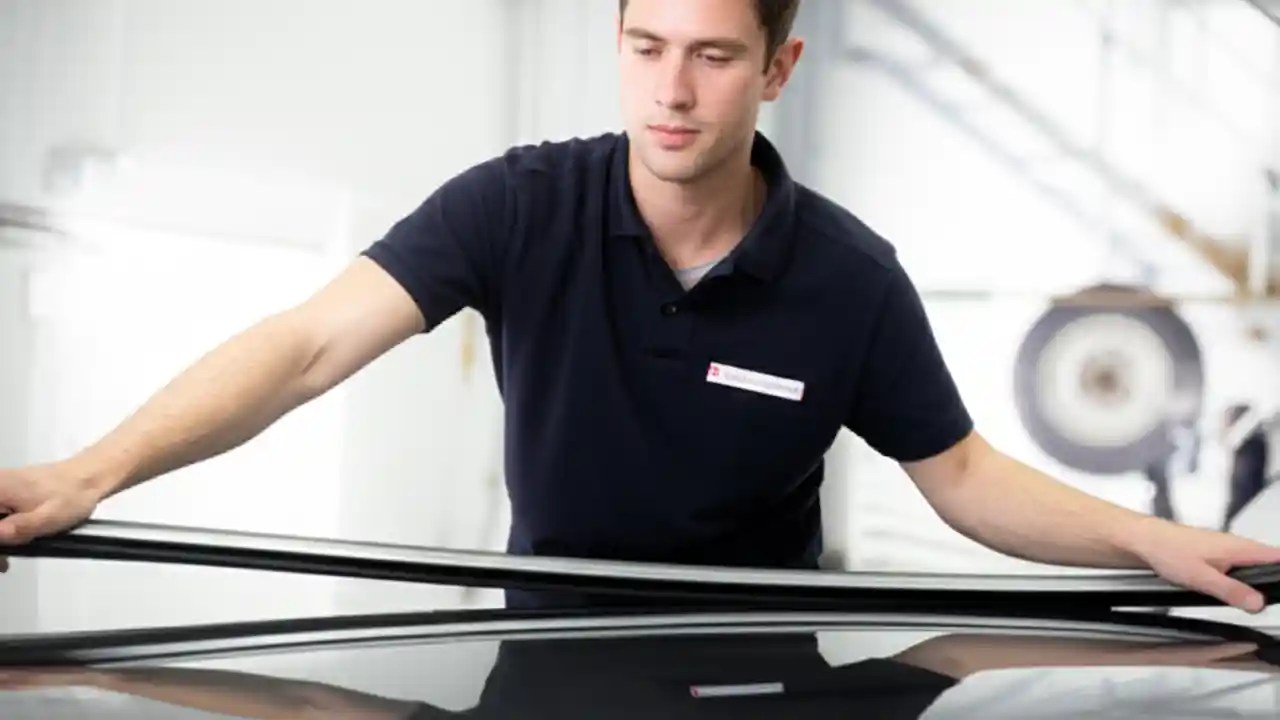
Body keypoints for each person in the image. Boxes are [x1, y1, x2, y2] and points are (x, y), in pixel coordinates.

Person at [0, 0, 1277, 613]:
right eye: (646, 45)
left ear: (776, 67)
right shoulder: (515, 207)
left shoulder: (850, 277)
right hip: (536, 669)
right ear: (617, 42)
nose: (672, 90)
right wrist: (90, 475)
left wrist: (1150, 541)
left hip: (762, 678)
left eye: (714, 56)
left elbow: (960, 475)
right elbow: (304, 348)